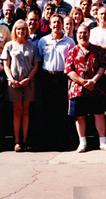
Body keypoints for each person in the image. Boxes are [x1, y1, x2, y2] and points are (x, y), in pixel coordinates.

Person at [65, 24, 106, 152]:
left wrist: (93, 81)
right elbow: (69, 70)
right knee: (79, 116)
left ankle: (103, 142)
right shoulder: (73, 51)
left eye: (85, 32)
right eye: (80, 33)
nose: (83, 35)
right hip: (77, 89)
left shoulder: (97, 50)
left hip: (96, 88)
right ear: (77, 35)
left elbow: (102, 66)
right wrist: (83, 82)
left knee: (99, 114)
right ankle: (83, 143)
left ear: (89, 34)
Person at [38, 14, 76, 150]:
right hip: (47, 78)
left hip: (62, 78)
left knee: (61, 109)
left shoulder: (69, 42)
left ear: (62, 24)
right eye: (54, 23)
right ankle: (49, 142)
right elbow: (40, 59)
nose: (56, 25)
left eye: (59, 22)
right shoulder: (43, 41)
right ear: (50, 25)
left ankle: (61, 141)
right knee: (48, 109)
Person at [1, 19, 41, 152]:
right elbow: (6, 65)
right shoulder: (9, 45)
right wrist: (12, 79)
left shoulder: (32, 46)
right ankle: (17, 141)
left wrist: (28, 79)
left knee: (26, 111)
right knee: (17, 110)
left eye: (23, 29)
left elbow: (36, 65)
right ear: (15, 31)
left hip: (28, 83)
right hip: (14, 83)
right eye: (18, 29)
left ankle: (25, 140)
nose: (21, 31)